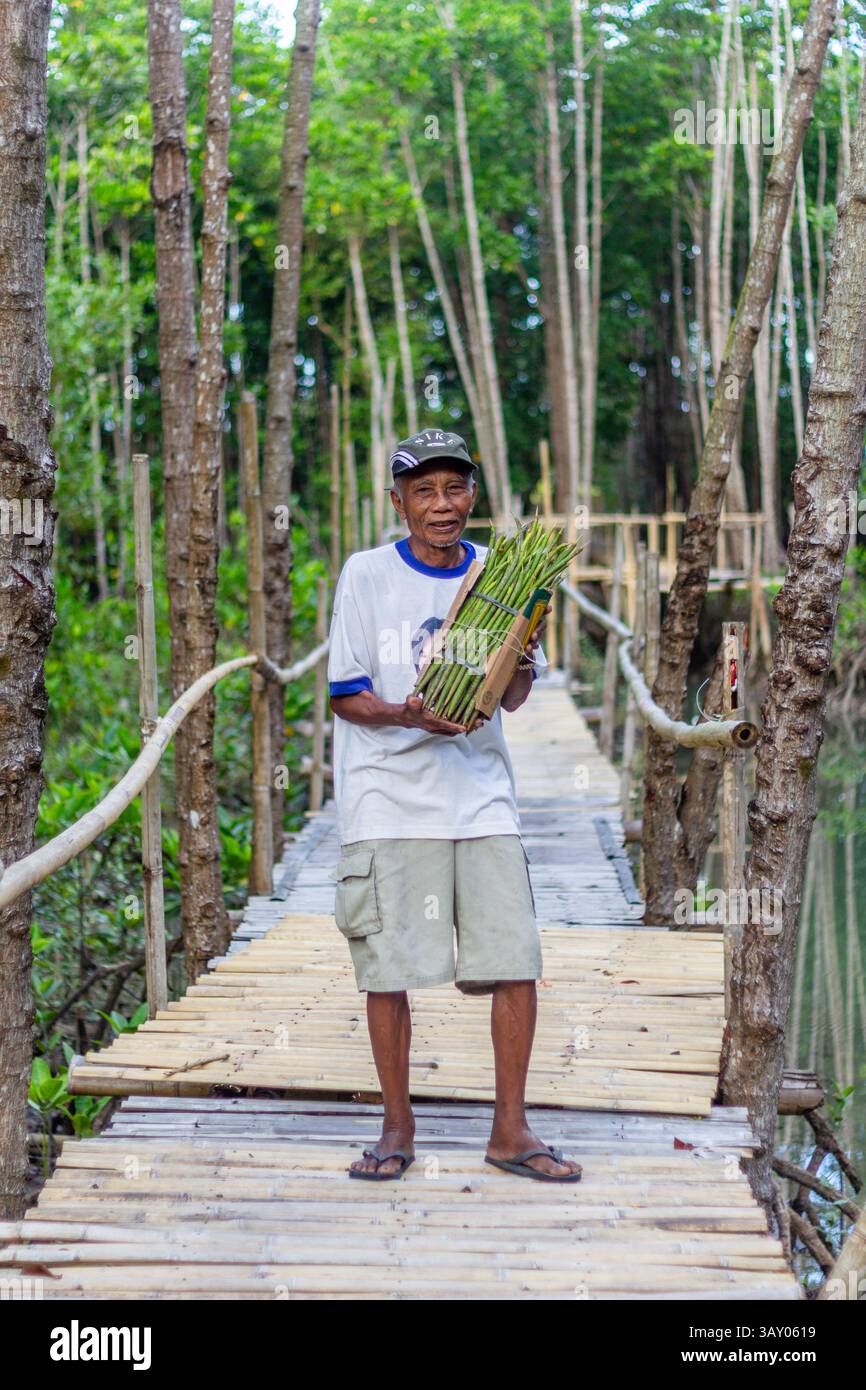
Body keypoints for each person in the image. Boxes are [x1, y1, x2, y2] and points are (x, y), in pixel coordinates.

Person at [327, 428, 582, 1183]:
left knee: (516, 959)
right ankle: (396, 1126)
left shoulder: (502, 576)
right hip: (388, 796)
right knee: (387, 969)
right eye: (425, 491)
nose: (443, 505)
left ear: (473, 494)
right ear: (399, 500)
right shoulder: (367, 575)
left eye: (456, 488)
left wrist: (520, 661)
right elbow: (346, 696)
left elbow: (513, 694)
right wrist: (410, 714)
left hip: (481, 795)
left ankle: (511, 1130)